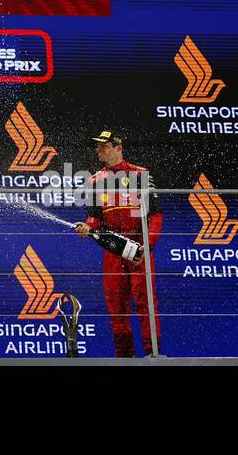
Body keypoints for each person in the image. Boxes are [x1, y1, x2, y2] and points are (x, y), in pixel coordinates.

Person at [73, 131, 163, 357]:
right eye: (98, 146)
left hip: (140, 249)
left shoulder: (141, 174)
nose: (98, 150)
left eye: (103, 146)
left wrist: (148, 246)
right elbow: (94, 219)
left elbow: (155, 215)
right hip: (113, 250)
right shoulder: (94, 180)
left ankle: (153, 354)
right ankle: (124, 359)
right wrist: (87, 229)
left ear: (118, 148)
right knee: (116, 307)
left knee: (145, 303)